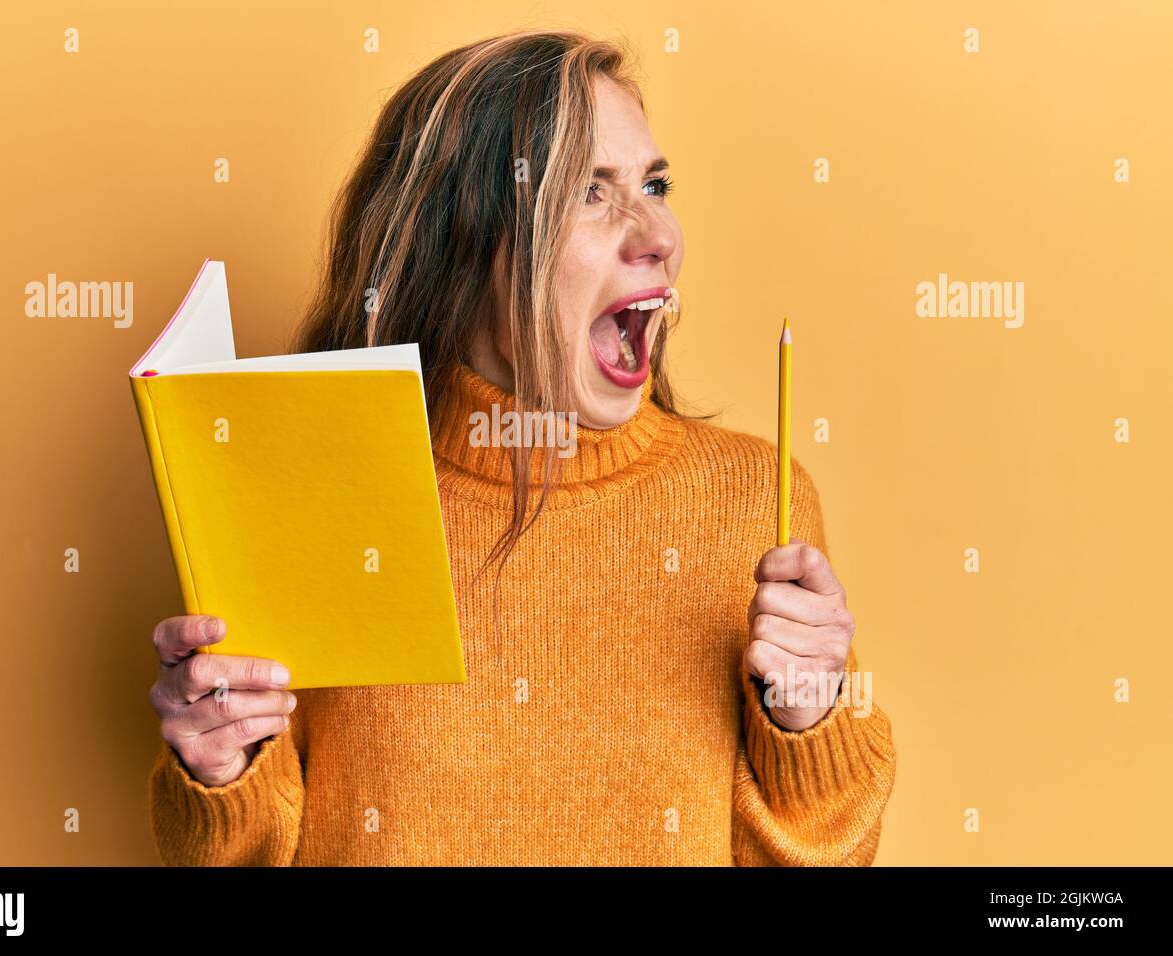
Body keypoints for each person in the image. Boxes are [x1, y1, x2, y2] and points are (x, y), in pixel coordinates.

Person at [147, 29, 897, 866]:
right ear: (464, 247)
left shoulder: (756, 500)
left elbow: (828, 858)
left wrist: (807, 721)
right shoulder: (314, 494)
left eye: (654, 184)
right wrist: (220, 771)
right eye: (590, 191)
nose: (657, 234)